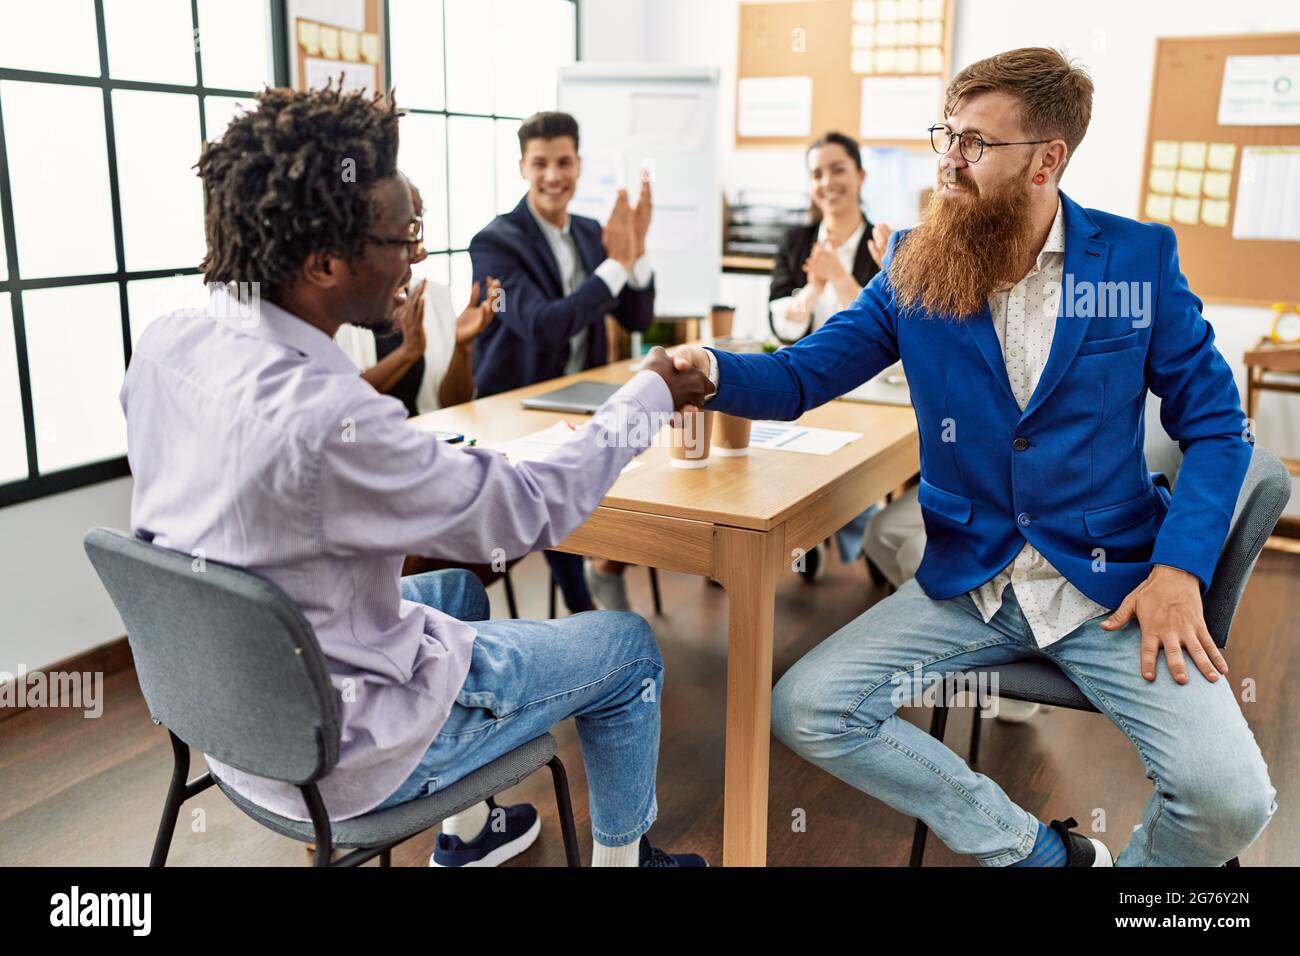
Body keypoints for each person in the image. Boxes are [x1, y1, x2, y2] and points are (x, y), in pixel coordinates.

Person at [674, 48, 1275, 866]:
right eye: (946, 136)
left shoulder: (1135, 263)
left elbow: (1217, 426)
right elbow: (800, 373)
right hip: (973, 582)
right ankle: (1041, 856)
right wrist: (707, 372)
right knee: (806, 707)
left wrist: (1178, 573)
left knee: (1232, 801)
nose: (949, 160)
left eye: (975, 144)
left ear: (1046, 160)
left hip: (1113, 586)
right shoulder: (918, 261)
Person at [122, 85, 714, 867]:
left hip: (232, 718)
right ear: (325, 259)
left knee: (458, 595)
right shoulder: (327, 418)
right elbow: (523, 514)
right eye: (404, 237)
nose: (418, 256)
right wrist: (649, 396)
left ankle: (465, 840)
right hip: (343, 757)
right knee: (628, 645)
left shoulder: (169, 341)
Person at [469, 110, 655, 614]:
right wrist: (616, 264)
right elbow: (543, 325)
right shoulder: (494, 243)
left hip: (578, 402)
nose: (554, 176)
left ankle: (604, 575)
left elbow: (639, 316)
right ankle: (586, 607)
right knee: (556, 485)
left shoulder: (593, 232)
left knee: (642, 455)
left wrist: (636, 254)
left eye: (564, 162)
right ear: (523, 168)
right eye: (541, 163)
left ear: (579, 164)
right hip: (516, 408)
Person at [769, 131, 894, 577]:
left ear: (860, 175)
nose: (828, 182)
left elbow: (887, 324)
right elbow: (781, 324)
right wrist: (813, 288)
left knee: (854, 461)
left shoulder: (885, 242)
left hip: (867, 389)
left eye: (838, 169)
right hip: (805, 380)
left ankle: (851, 523)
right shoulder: (796, 241)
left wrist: (840, 277)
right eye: (817, 173)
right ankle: (814, 533)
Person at [335, 175, 500, 414]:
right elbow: (341, 405)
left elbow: (454, 404)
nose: (417, 250)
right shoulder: (337, 305)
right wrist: (407, 353)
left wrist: (462, 347)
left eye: (414, 224)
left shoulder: (436, 296)